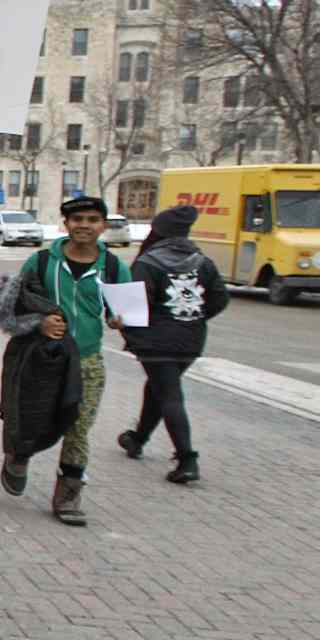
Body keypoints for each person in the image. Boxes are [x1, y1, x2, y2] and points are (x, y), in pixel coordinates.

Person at [0, 194, 131, 525]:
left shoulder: (114, 267)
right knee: (30, 416)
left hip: (86, 360)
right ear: (65, 224)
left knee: (79, 428)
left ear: (102, 225)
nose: (84, 225)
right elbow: (6, 308)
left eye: (92, 220)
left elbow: (126, 315)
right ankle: (19, 455)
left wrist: (121, 321)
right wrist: (38, 323)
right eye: (77, 219)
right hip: (43, 358)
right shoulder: (40, 262)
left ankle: (69, 492)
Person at [118, 204, 229, 484]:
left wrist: (131, 329)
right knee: (160, 387)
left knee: (169, 393)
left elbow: (134, 305)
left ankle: (187, 458)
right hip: (191, 339)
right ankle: (138, 438)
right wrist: (193, 318)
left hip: (156, 339)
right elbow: (219, 299)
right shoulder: (202, 261)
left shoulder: (148, 262)